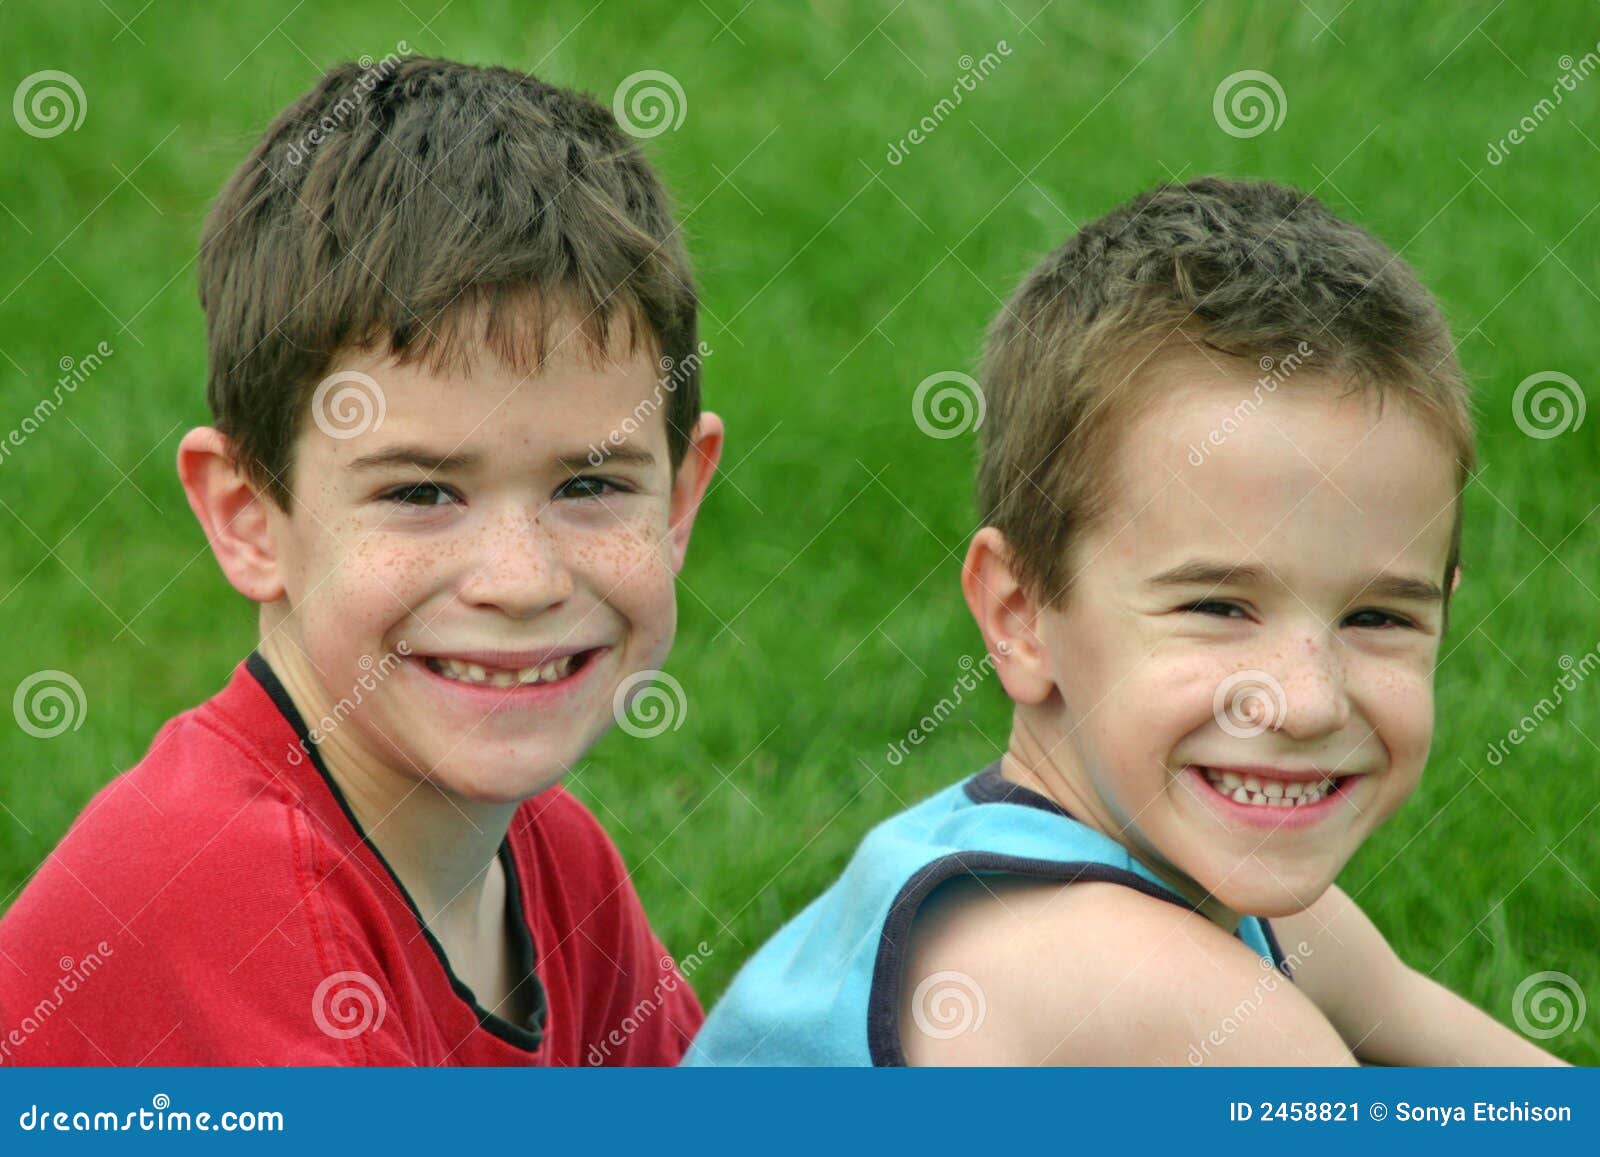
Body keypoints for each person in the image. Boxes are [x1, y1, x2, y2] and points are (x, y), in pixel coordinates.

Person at [687, 177, 1566, 1066]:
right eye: (1218, 607)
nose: (1304, 702)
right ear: (1020, 613)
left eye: (1377, 616)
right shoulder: (1158, 994)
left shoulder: (996, 862)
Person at [0, 55, 721, 1066]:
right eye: (420, 493)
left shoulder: (558, 863)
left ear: (682, 497)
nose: (520, 579)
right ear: (249, 517)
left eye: (589, 484)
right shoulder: (233, 895)